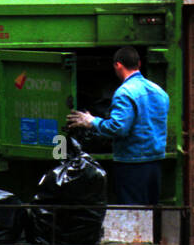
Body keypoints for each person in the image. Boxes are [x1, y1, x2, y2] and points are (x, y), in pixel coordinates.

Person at [66, 46, 169, 205]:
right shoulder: (159, 91)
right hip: (155, 162)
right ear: (139, 64)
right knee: (150, 211)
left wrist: (91, 121)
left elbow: (118, 128)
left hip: (131, 163)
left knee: (132, 213)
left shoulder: (125, 92)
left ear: (118, 65)